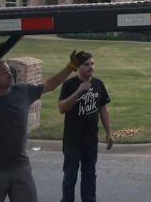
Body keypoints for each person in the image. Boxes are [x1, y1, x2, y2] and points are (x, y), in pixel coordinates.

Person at [0, 47, 78, 202]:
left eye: (8, 70)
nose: (9, 73)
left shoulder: (23, 91)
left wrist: (70, 67)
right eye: (3, 72)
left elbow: (49, 85)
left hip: (20, 168)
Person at [58, 51, 113, 202]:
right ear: (79, 67)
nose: (91, 67)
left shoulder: (98, 84)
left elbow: (103, 108)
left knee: (89, 177)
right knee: (70, 177)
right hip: (72, 141)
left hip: (90, 140)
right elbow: (62, 108)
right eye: (86, 64)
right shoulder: (70, 84)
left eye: (92, 64)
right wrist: (79, 91)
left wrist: (109, 132)